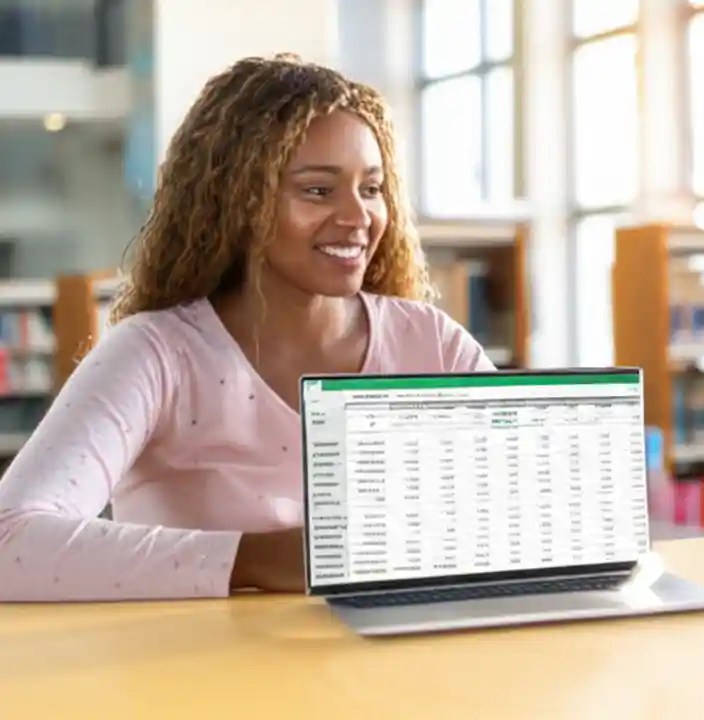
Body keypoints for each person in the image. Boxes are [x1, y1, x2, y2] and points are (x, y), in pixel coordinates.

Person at [0, 54, 494, 602]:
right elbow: (9, 541)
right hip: (201, 676)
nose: (358, 218)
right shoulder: (156, 355)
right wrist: (261, 559)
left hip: (395, 669)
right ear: (239, 200)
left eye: (371, 189)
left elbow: (524, 509)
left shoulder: (431, 343)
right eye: (317, 190)